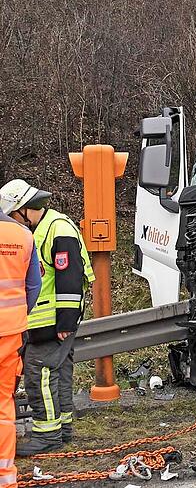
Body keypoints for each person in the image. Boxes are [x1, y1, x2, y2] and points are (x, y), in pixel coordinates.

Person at [0, 180, 94, 456]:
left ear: (24, 210)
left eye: (12, 216)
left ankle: (47, 434)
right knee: (59, 374)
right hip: (47, 320)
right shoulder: (42, 229)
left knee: (38, 376)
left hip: (54, 322)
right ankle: (63, 429)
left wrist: (65, 322)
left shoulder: (58, 229)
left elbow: (70, 278)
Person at [0, 205, 40, 488]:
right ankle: (5, 476)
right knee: (4, 404)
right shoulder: (22, 235)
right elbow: (34, 286)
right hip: (11, 332)